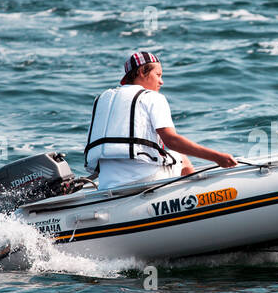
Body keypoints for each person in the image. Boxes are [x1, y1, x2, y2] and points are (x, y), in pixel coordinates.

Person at [84, 50, 237, 191]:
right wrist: (217, 157)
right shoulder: (151, 97)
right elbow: (172, 141)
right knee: (181, 159)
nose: (161, 81)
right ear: (142, 72)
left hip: (107, 183)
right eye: (158, 75)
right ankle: (196, 199)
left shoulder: (102, 98)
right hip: (143, 178)